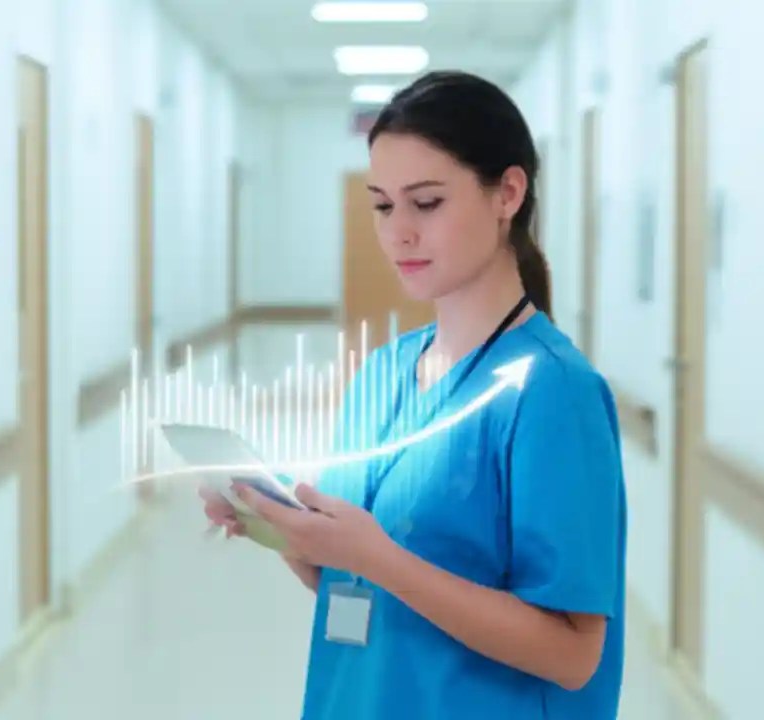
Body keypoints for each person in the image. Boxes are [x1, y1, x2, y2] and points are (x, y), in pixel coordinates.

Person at [201, 70, 626, 719]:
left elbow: (572, 655)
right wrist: (279, 526)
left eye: (426, 203)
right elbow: (345, 579)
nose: (397, 232)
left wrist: (380, 557)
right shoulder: (382, 372)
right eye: (382, 204)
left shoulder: (552, 393)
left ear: (508, 192)